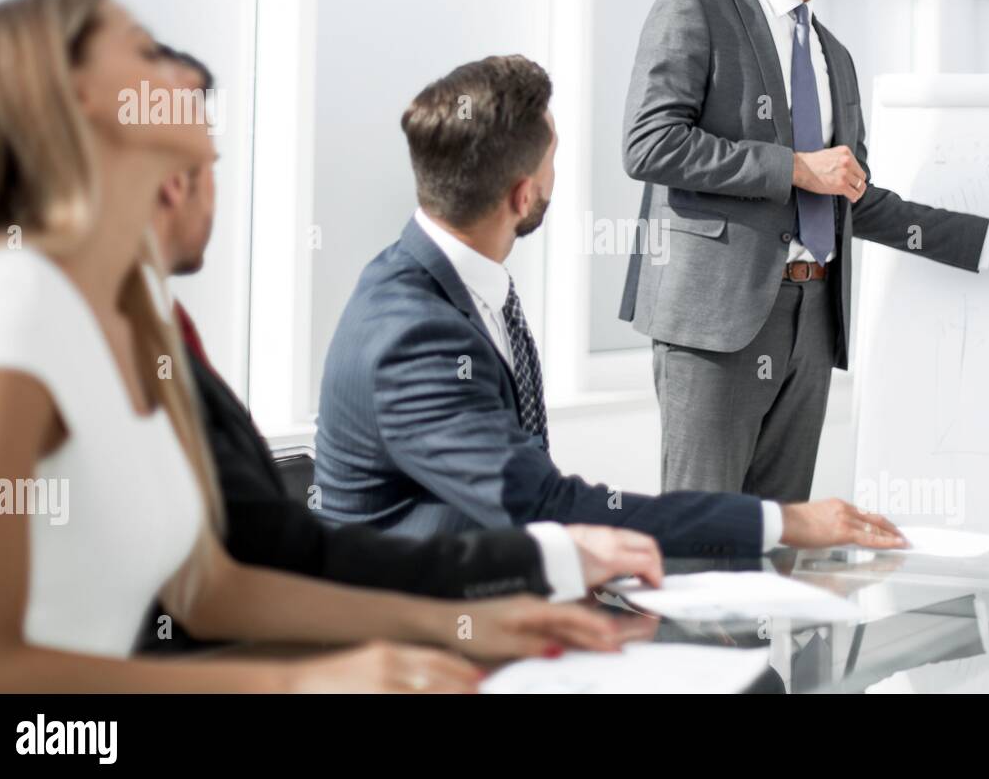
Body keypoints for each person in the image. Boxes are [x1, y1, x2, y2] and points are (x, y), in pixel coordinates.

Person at [0, 0, 617, 693]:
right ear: (78, 96)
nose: (181, 73)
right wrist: (302, 683)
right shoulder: (12, 301)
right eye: (145, 52)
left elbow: (207, 589)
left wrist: (450, 622)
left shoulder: (137, 315)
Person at [140, 46, 661, 656]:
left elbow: (230, 580)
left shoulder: (160, 330)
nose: (207, 188)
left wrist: (548, 572)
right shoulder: (409, 324)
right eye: (196, 166)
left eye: (208, 163)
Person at [315, 54, 908, 557]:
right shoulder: (412, 332)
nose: (556, 174)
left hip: (508, 592)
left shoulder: (456, 287)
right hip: (426, 629)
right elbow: (544, 506)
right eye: (552, 159)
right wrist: (784, 521)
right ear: (523, 196)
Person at [618, 0, 989, 501]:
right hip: (716, 319)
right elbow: (651, 145)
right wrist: (796, 168)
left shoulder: (836, 58)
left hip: (813, 321)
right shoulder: (697, 6)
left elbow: (852, 197)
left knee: (784, 532)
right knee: (706, 534)